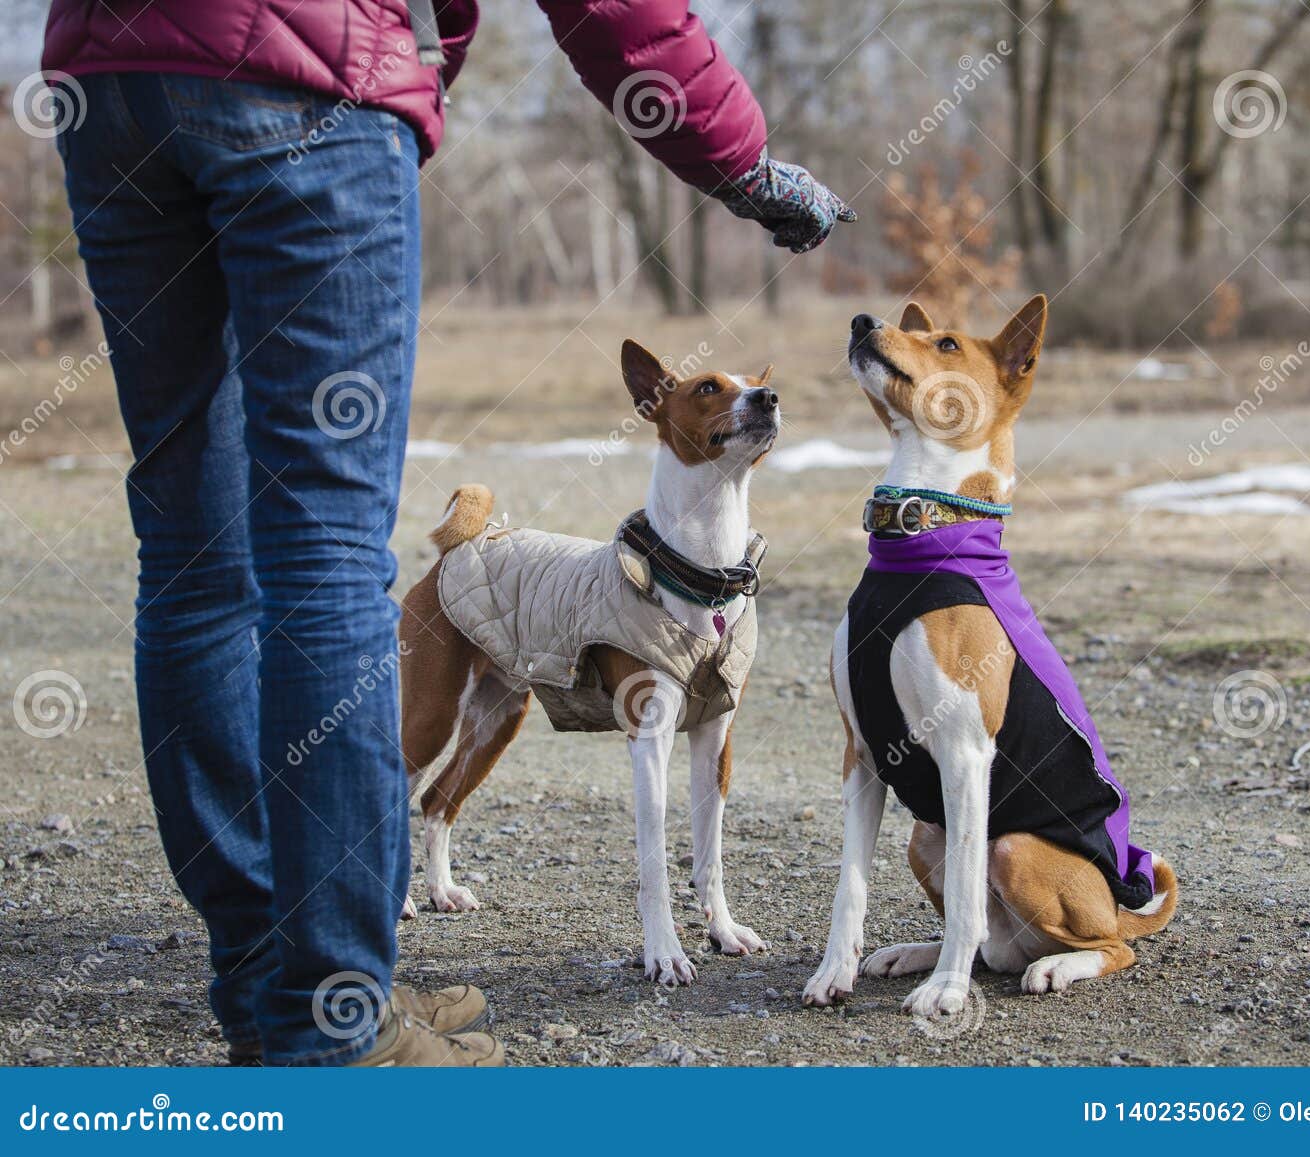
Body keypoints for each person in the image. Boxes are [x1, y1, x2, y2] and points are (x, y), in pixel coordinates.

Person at [39, 0, 854, 1068]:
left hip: (111, 83)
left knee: (195, 554)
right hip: (312, 79)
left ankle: (274, 985)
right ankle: (331, 1016)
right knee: (322, 555)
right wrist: (738, 160)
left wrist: (414, 67)